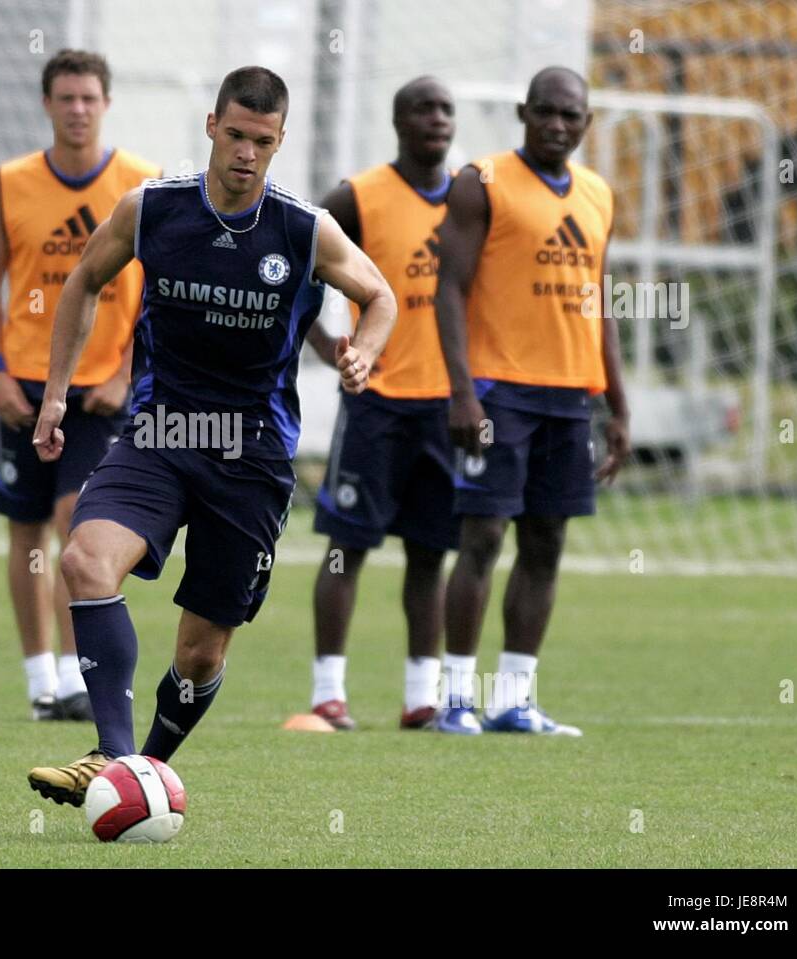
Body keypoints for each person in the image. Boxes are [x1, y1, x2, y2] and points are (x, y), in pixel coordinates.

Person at [26, 66, 396, 806]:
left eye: (263, 141)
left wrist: (365, 350)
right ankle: (117, 759)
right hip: (161, 429)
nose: (246, 153)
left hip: (252, 453)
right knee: (86, 561)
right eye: (235, 135)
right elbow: (83, 281)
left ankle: (147, 770)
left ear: (280, 141)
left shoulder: (303, 228)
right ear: (211, 127)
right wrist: (57, 394)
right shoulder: (153, 208)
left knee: (199, 655)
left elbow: (379, 294)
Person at [432, 66, 630, 735]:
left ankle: (513, 698)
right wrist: (462, 391)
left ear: (586, 123)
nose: (557, 125)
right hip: (498, 391)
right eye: (546, 112)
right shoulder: (480, 182)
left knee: (546, 542)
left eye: (571, 116)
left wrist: (619, 405)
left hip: (570, 398)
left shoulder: (600, 194)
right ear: (524, 112)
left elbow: (600, 306)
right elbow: (449, 290)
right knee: (483, 536)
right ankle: (456, 697)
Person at [0, 50, 159, 721]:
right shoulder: (12, 181)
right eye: (65, 98)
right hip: (25, 385)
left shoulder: (143, 184)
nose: (78, 110)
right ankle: (38, 680)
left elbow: (163, 296)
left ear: (106, 103)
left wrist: (126, 373)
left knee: (74, 526)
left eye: (89, 98)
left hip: (101, 393)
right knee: (24, 533)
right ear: (47, 104)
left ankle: (77, 678)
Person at [305, 76, 459, 731]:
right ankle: (328, 693)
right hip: (376, 403)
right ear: (399, 121)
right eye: (423, 108)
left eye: (446, 109)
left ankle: (422, 696)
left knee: (429, 555)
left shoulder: (474, 200)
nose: (437, 118)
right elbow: (290, 263)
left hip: (447, 407)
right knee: (347, 548)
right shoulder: (357, 196)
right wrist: (325, 343)